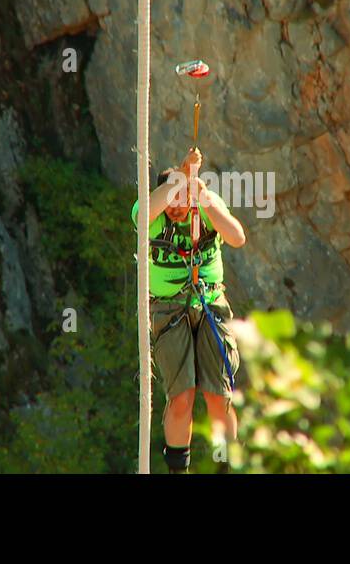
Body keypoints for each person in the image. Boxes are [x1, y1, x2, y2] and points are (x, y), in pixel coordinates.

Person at [131, 147, 246, 473]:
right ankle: (177, 470)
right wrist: (180, 179)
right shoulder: (152, 215)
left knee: (217, 395)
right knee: (181, 397)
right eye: (173, 199)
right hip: (169, 311)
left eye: (184, 198)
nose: (179, 206)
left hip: (209, 304)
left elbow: (237, 237)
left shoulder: (206, 208)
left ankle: (227, 466)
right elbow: (143, 216)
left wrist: (204, 197)